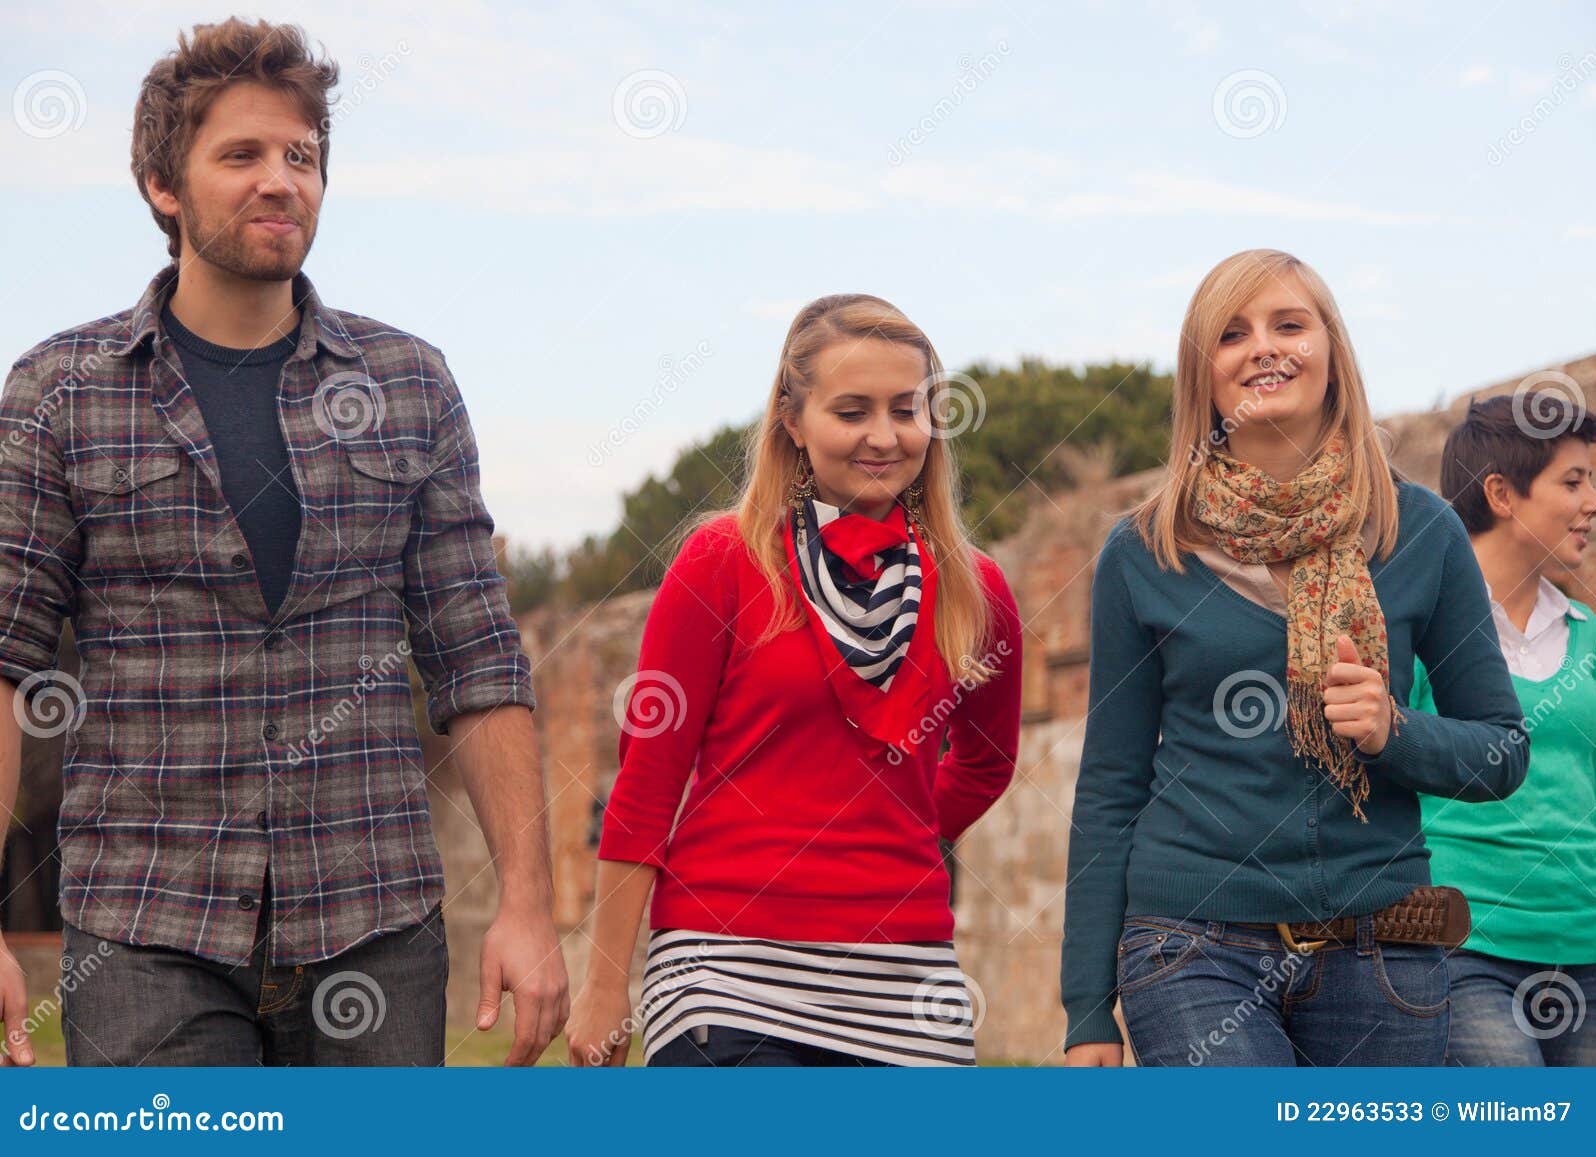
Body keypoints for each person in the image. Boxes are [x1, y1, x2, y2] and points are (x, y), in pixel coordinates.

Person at [0, 18, 566, 1067]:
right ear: (164, 188)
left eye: (301, 157)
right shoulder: (59, 392)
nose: (281, 181)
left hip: (373, 921)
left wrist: (528, 906)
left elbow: (479, 659)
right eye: (241, 154)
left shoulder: (408, 382)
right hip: (144, 927)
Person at [1060, 249, 1529, 1067]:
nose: (1264, 346)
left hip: (1382, 952)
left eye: (1290, 324)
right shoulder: (1144, 550)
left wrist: (1394, 729)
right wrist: (1087, 1008)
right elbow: (1110, 785)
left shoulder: (1419, 532)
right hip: (1191, 946)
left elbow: (1501, 749)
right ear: (1201, 374)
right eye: (1232, 333)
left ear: (1331, 351)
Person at [564, 294, 1022, 1066]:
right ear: (792, 419)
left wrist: (886, 836)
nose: (884, 435)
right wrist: (608, 983)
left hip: (906, 977)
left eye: (906, 409)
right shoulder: (722, 561)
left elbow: (987, 762)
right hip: (722, 970)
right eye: (852, 410)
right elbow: (647, 785)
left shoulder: (977, 591)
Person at [1412, 392, 1596, 1066]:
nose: (1594, 501)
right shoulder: (1416, 629)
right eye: (1573, 481)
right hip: (1465, 951)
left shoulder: (1593, 641)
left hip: (1590, 951)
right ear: (1502, 493)